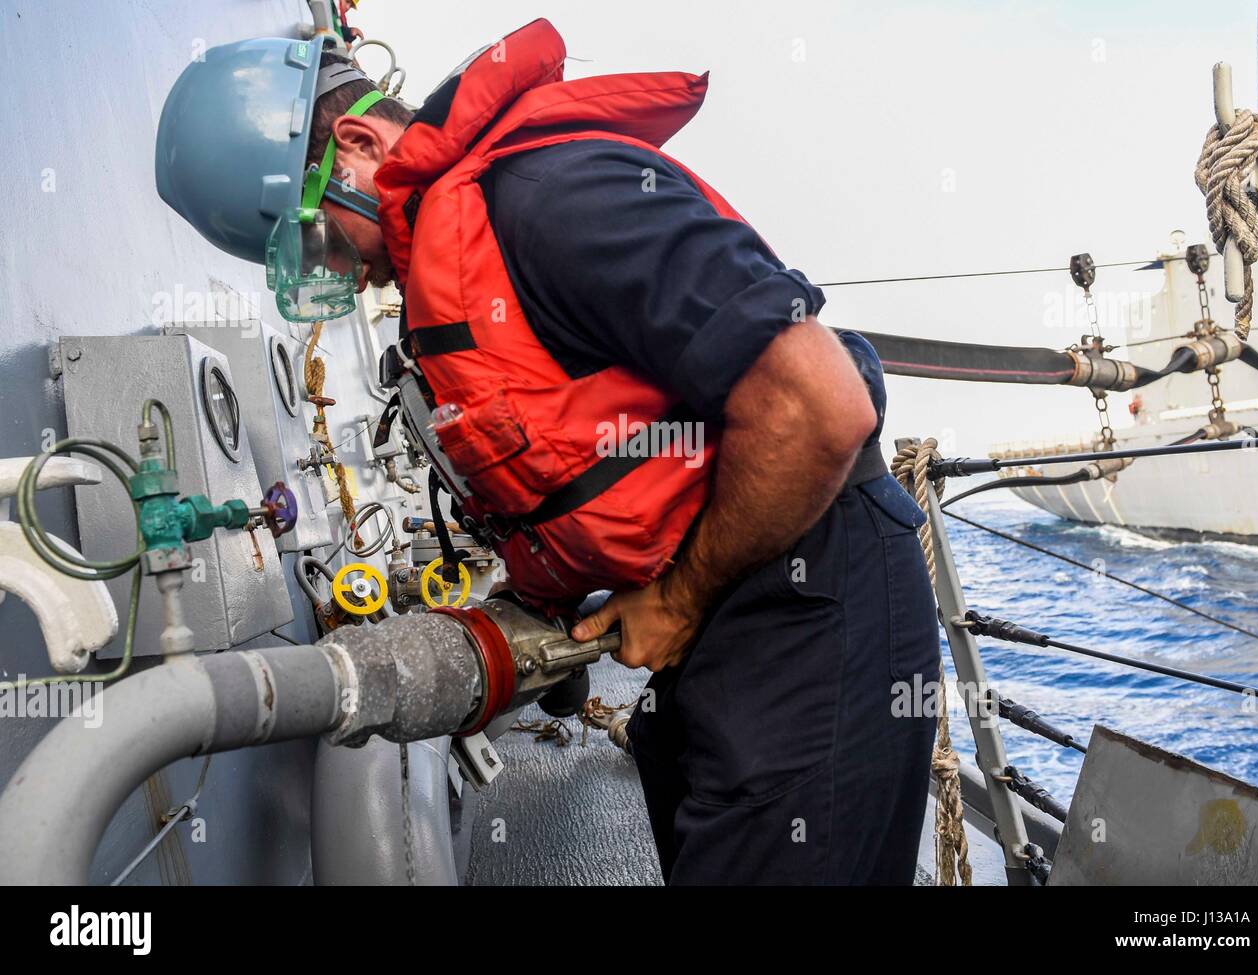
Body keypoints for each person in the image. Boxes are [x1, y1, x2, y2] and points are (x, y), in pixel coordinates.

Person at [156, 18, 939, 885]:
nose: (356, 275)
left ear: (357, 143)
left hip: (810, 593)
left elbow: (817, 408)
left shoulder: (550, 193)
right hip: (725, 602)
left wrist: (678, 600)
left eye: (325, 241)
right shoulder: (471, 234)